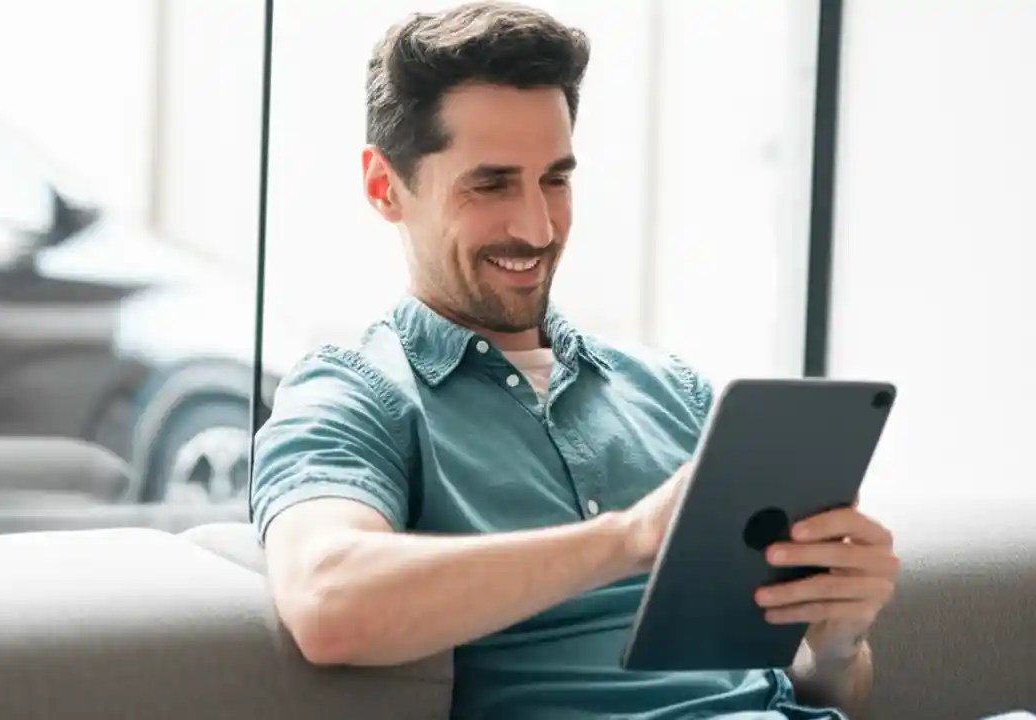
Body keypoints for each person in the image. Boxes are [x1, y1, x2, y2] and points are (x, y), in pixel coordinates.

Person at [251, 3, 899, 718]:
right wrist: (628, 540)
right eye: (490, 184)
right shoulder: (356, 392)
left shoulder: (672, 391)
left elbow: (828, 697)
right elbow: (328, 601)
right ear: (384, 187)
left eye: (555, 179)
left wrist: (835, 647)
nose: (536, 226)